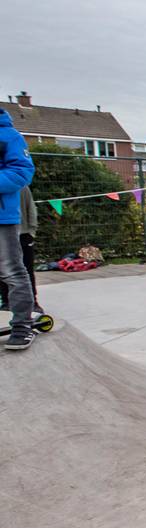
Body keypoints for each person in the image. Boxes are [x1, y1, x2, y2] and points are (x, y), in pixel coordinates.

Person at [0, 106, 37, 351]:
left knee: (12, 270)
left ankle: (22, 324)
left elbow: (22, 171)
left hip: (1, 217)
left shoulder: (8, 135)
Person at [0, 186, 44, 314]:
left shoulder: (21, 186)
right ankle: (6, 302)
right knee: (3, 270)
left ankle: (33, 302)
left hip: (23, 234)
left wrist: (31, 231)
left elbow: (31, 208)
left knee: (26, 269)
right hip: (3, 234)